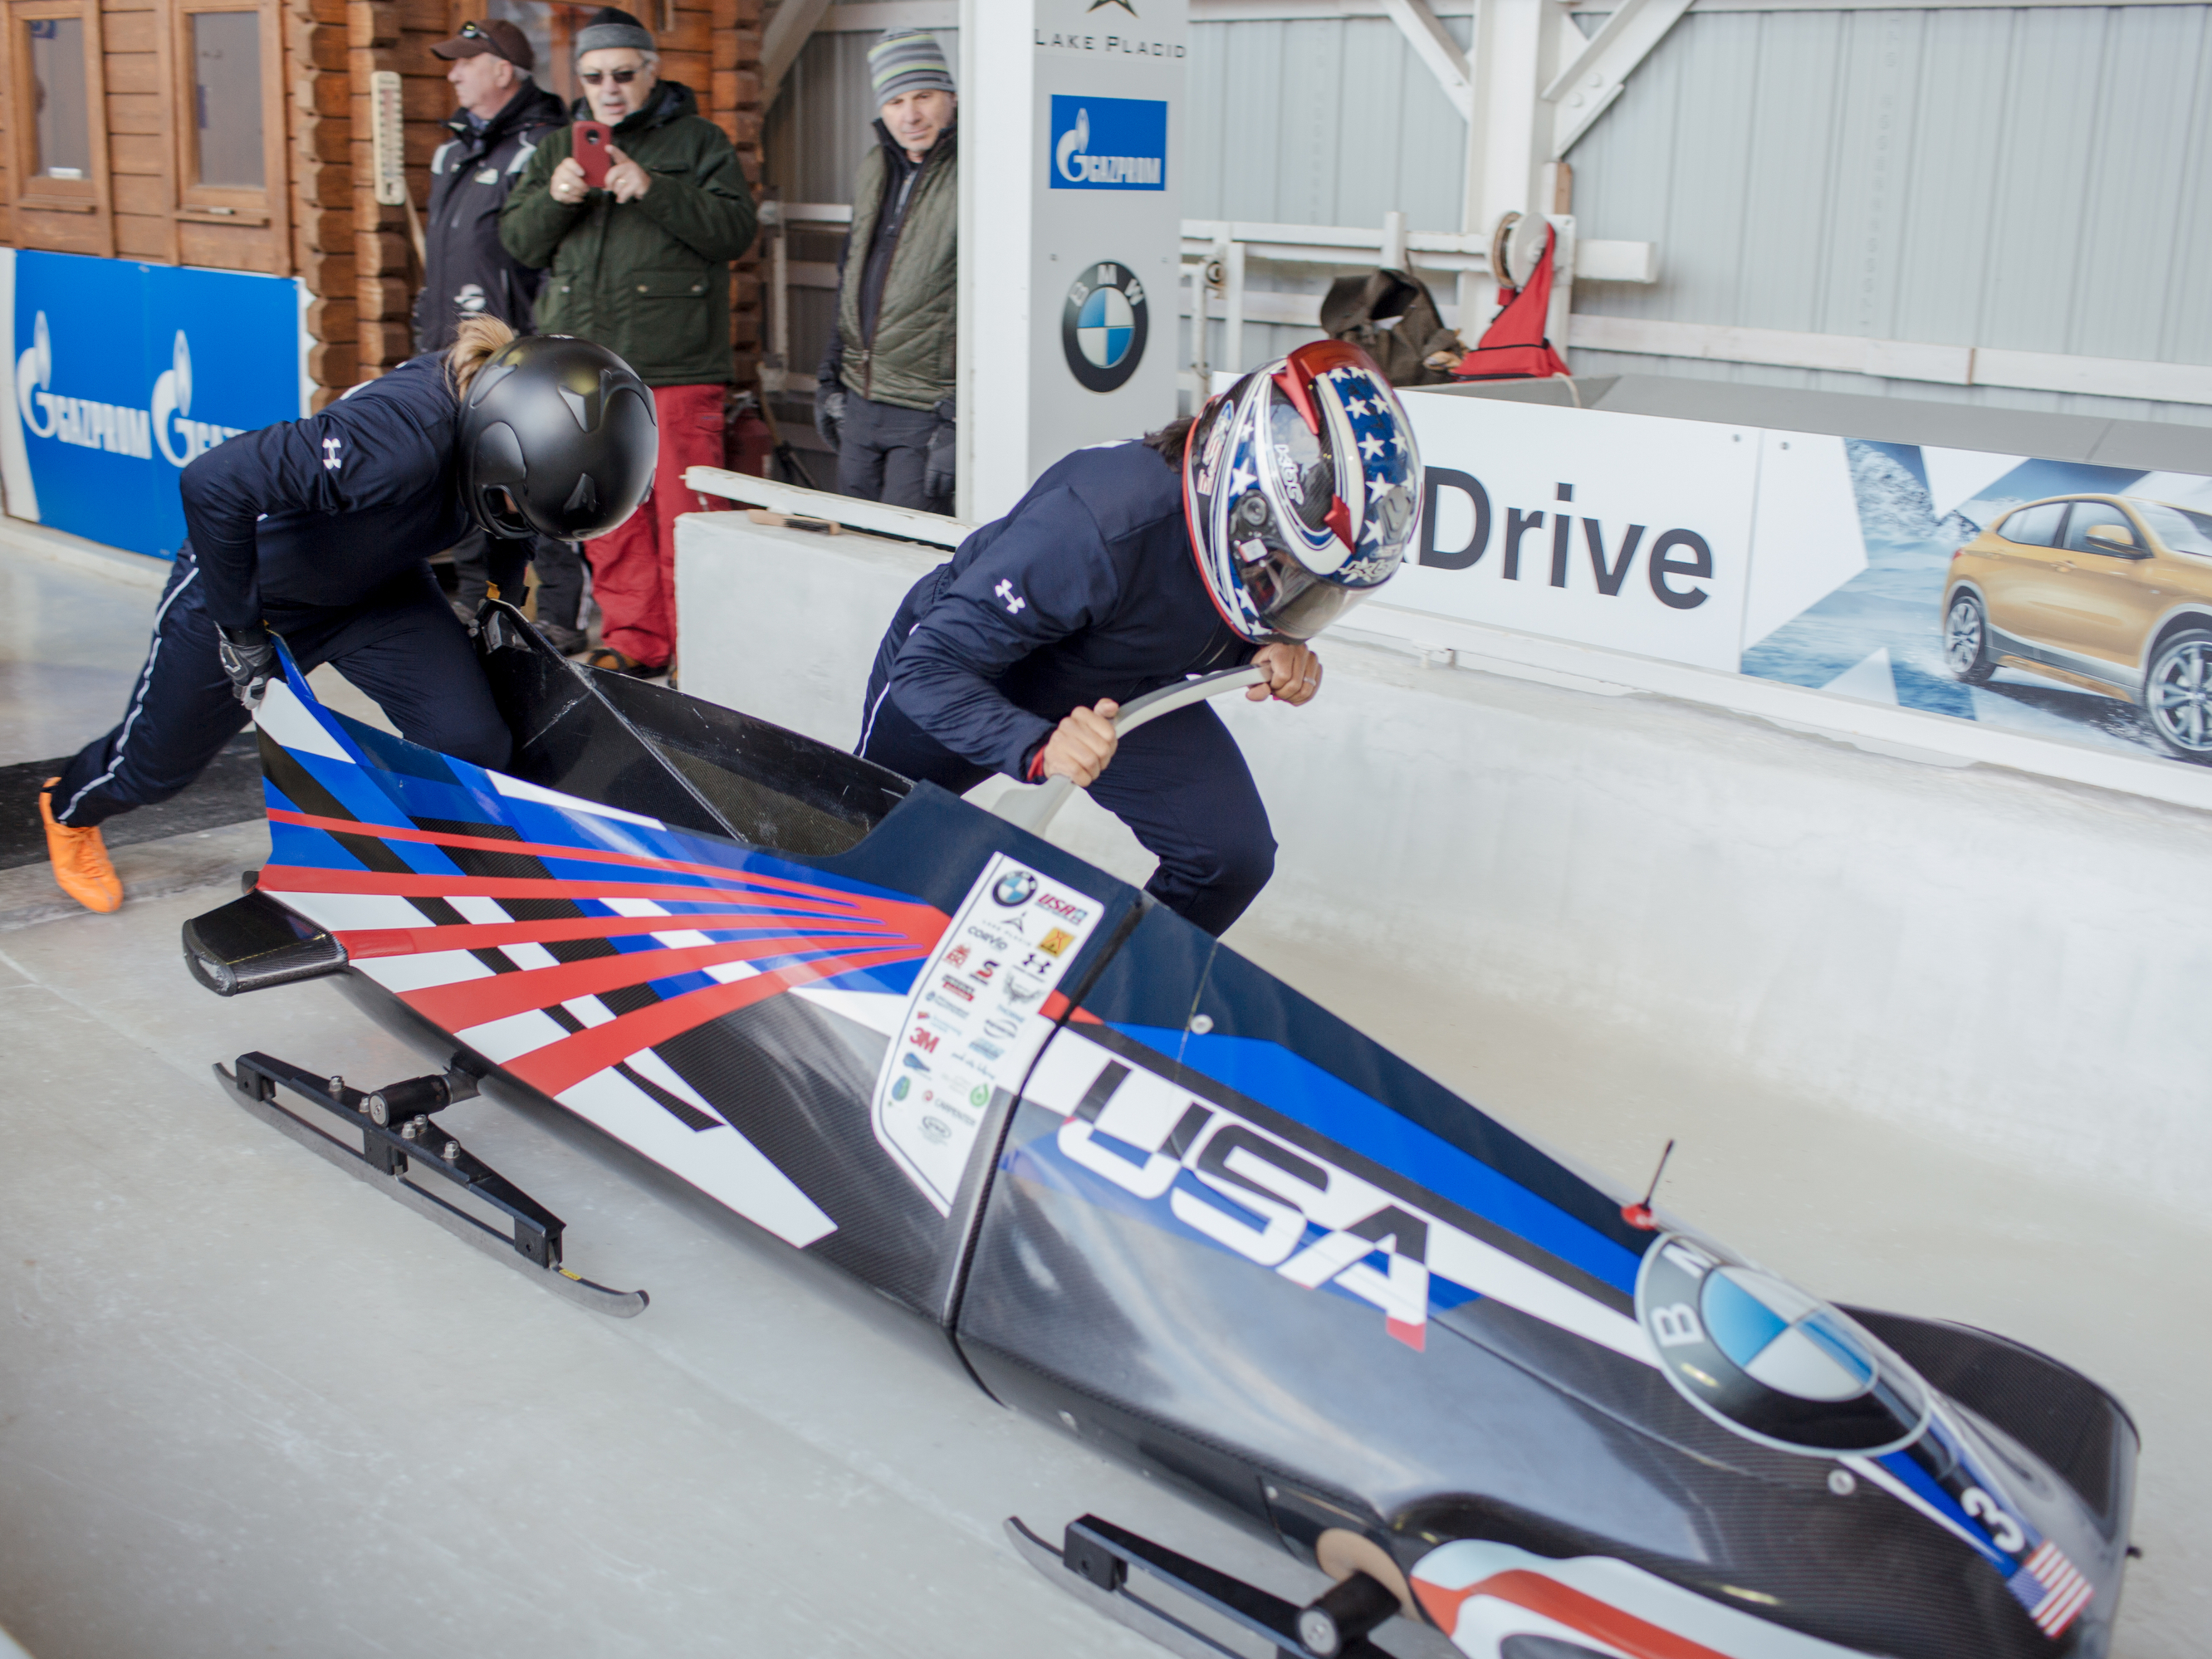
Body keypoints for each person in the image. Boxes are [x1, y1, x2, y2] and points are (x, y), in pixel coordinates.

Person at [36, 320, 658, 915]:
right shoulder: (392, 442)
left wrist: (501, 594)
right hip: (262, 590)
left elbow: (516, 515)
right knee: (155, 769)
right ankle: (68, 809)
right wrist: (241, 629)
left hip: (381, 589)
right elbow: (212, 483)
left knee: (470, 740)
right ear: (492, 440)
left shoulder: (514, 405)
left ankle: (423, 864)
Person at [858, 342, 1422, 936]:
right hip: (972, 668)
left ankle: (1096, 991)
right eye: (1292, 572)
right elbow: (926, 670)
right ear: (1241, 503)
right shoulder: (1093, 523)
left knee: (1229, 859)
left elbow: (1207, 605)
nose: (1291, 592)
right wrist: (1036, 745)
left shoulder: (1237, 538)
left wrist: (1270, 646)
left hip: (1117, 685)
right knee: (871, 831)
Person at [500, 7, 757, 680]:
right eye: (593, 77)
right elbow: (519, 242)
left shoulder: (700, 141)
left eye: (623, 73)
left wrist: (654, 189)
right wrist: (557, 198)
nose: (608, 88)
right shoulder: (560, 148)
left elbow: (735, 231)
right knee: (606, 514)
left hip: (675, 366)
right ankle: (637, 641)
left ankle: (707, 649)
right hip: (584, 371)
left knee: (689, 520)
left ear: (652, 71)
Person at [417, 17, 589, 652]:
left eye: (465, 62)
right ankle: (476, 601)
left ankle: (559, 614)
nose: (453, 72)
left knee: (538, 484)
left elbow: (544, 249)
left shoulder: (539, 146)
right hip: (452, 351)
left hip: (522, 351)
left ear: (502, 70)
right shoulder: (452, 149)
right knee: (466, 482)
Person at [816, 29, 957, 516]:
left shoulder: (976, 170)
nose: (911, 115)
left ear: (951, 97)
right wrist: (829, 377)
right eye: (896, 100)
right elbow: (851, 273)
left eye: (925, 96)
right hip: (860, 401)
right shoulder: (874, 166)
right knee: (857, 548)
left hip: (926, 411)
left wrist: (960, 419)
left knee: (912, 557)